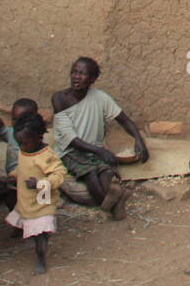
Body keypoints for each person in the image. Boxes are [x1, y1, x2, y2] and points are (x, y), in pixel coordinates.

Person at [51, 57, 147, 220]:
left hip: (93, 149)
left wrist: (139, 140)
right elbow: (72, 140)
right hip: (70, 151)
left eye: (82, 74)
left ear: (93, 79)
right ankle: (116, 203)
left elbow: (124, 120)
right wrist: (100, 151)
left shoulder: (100, 97)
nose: (76, 76)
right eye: (74, 72)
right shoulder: (60, 99)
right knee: (90, 173)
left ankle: (111, 202)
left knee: (106, 171)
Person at [6, 111, 67, 274]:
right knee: (23, 215)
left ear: (39, 137)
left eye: (25, 143)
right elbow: (23, 167)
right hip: (26, 199)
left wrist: (41, 183)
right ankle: (24, 232)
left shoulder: (46, 156)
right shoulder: (24, 150)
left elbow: (59, 174)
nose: (21, 147)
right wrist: (13, 176)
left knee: (41, 233)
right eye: (19, 143)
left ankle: (40, 258)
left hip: (42, 201)